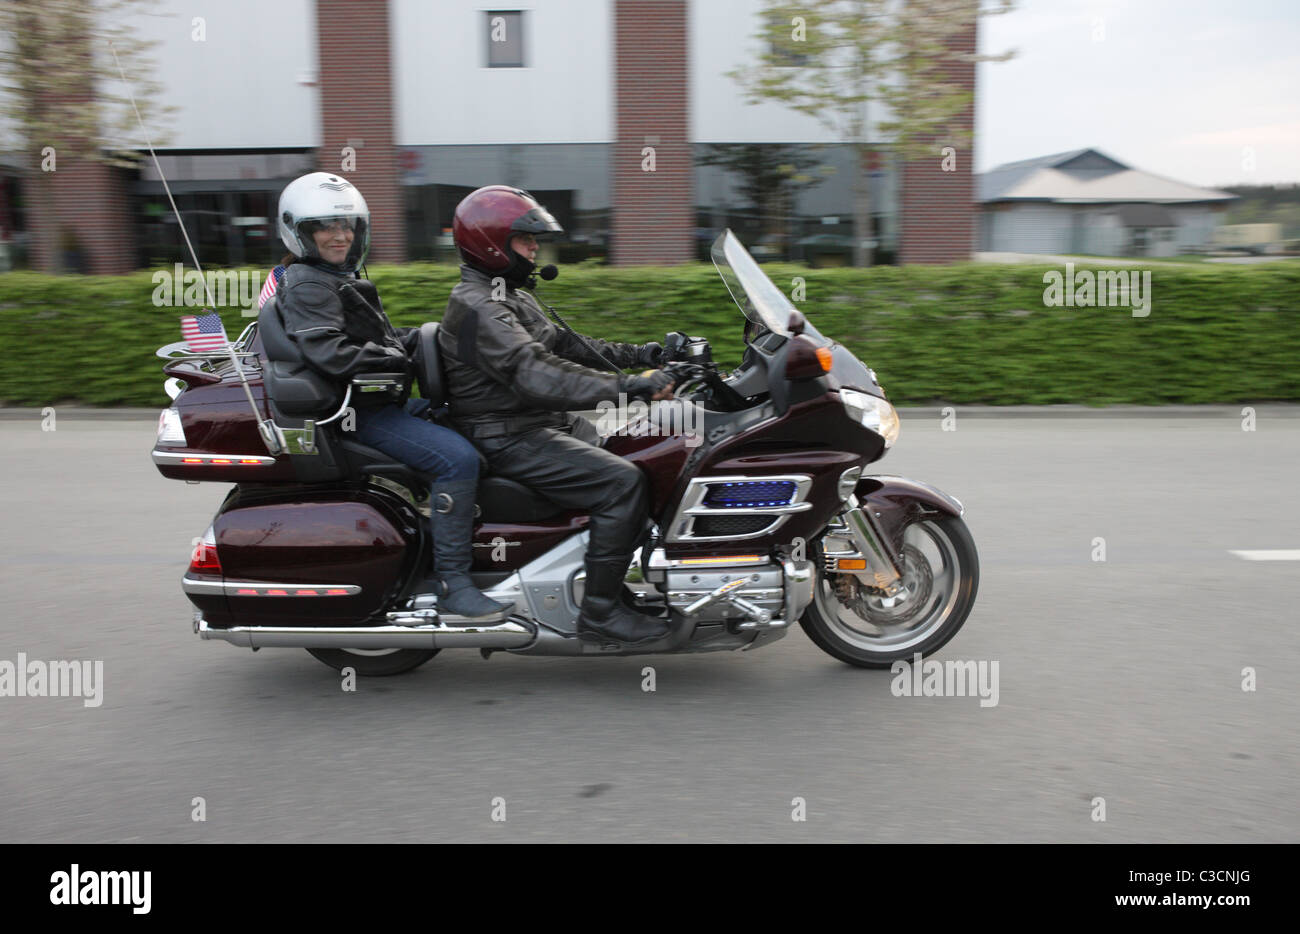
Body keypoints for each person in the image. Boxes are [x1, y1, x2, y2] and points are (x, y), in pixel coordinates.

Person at [438, 185, 676, 646]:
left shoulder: (507, 294)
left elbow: (569, 346)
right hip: (506, 434)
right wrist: (631, 387)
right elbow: (538, 375)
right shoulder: (479, 307)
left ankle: (612, 584)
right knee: (621, 482)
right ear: (491, 243)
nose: (534, 250)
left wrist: (643, 354)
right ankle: (600, 614)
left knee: (646, 449)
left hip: (535, 423)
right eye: (526, 241)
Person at [273, 172, 508, 623]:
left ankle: (467, 533)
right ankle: (453, 584)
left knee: (481, 418)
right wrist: (402, 361)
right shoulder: (309, 283)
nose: (341, 235)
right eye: (326, 226)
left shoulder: (329, 276)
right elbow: (328, 351)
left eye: (347, 226)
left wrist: (438, 343)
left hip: (375, 402)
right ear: (301, 232)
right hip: (358, 412)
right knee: (457, 460)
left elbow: (368, 339)